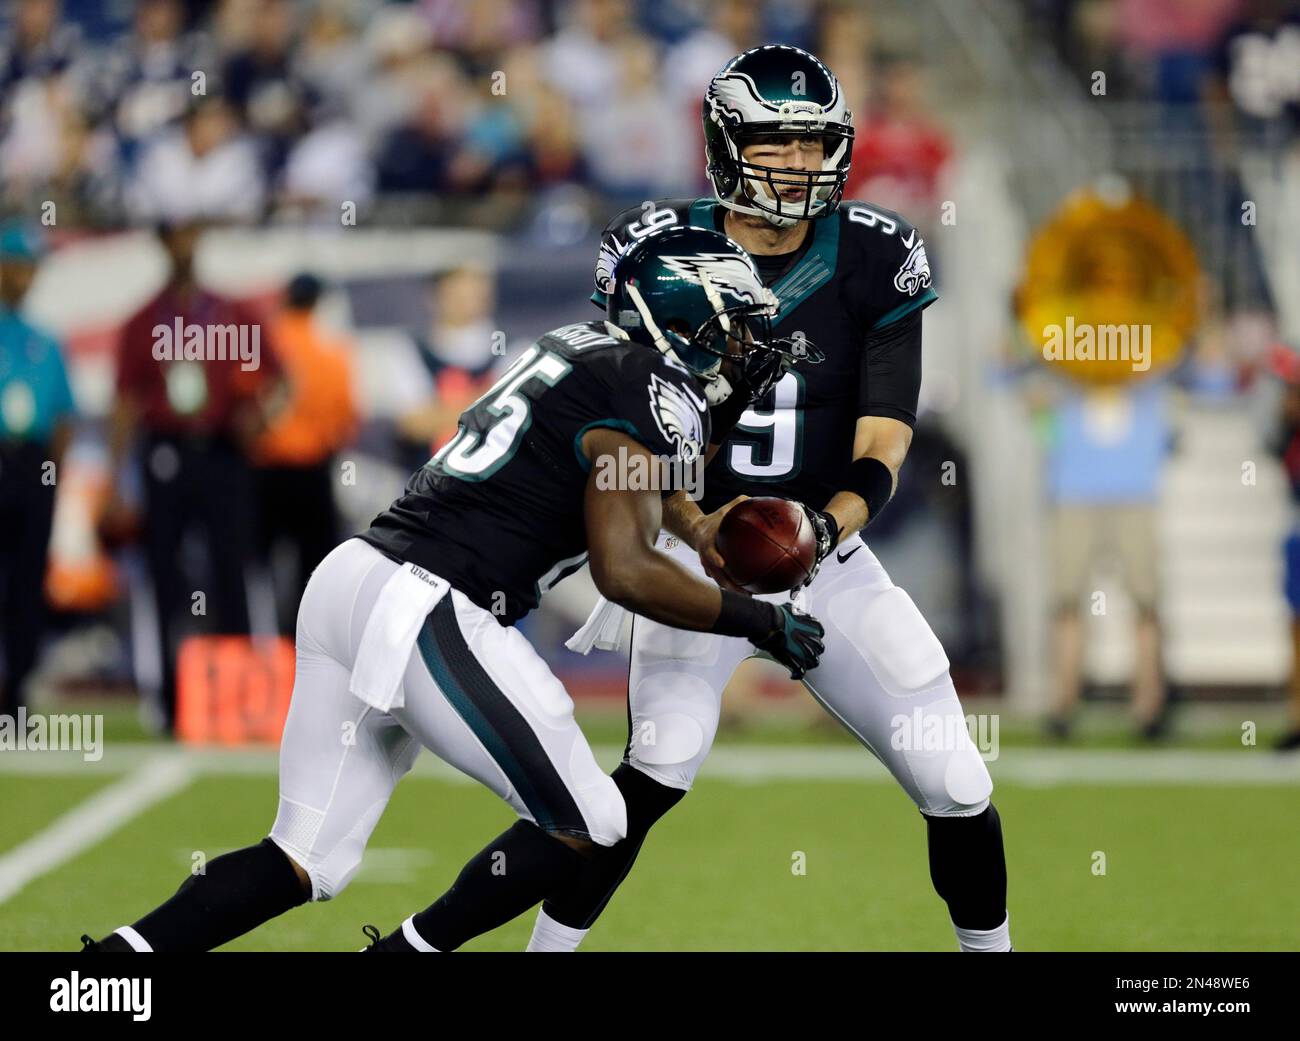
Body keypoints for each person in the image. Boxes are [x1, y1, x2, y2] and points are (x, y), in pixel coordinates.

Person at [80, 226, 825, 953]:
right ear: (685, 318)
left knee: (304, 856)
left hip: (357, 578)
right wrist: (756, 622)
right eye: (735, 325)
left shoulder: (589, 349)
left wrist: (697, 531)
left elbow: (625, 475)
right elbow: (623, 568)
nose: (744, 346)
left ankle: (108, 970)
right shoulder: (646, 385)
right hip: (433, 600)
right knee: (592, 818)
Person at [526, 45, 1014, 954]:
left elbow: (884, 440)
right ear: (722, 144)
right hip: (691, 543)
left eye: (811, 143)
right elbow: (630, 433)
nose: (796, 163)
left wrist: (821, 527)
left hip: (826, 549)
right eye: (774, 142)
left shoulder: (875, 254)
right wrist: (697, 524)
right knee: (658, 763)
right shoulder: (660, 250)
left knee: (955, 781)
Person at [101, 219, 281, 733]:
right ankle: (172, 703)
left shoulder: (229, 312)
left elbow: (278, 379)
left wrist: (259, 420)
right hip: (165, 452)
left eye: (190, 236)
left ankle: (243, 698)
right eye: (175, 237)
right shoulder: (144, 320)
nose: (184, 246)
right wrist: (116, 480)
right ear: (162, 245)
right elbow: (124, 404)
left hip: (222, 450)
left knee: (232, 570)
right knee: (164, 575)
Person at [252, 273, 358, 635]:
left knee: (257, 568)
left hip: (263, 469)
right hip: (312, 470)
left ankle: (261, 649)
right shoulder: (329, 348)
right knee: (313, 572)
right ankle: (302, 647)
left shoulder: (267, 341)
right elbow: (346, 415)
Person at [0, 221, 76, 717]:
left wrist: (55, 477)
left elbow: (65, 415)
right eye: (20, 266)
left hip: (32, 468)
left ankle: (17, 698)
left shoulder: (45, 342)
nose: (27, 277)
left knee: (26, 584)